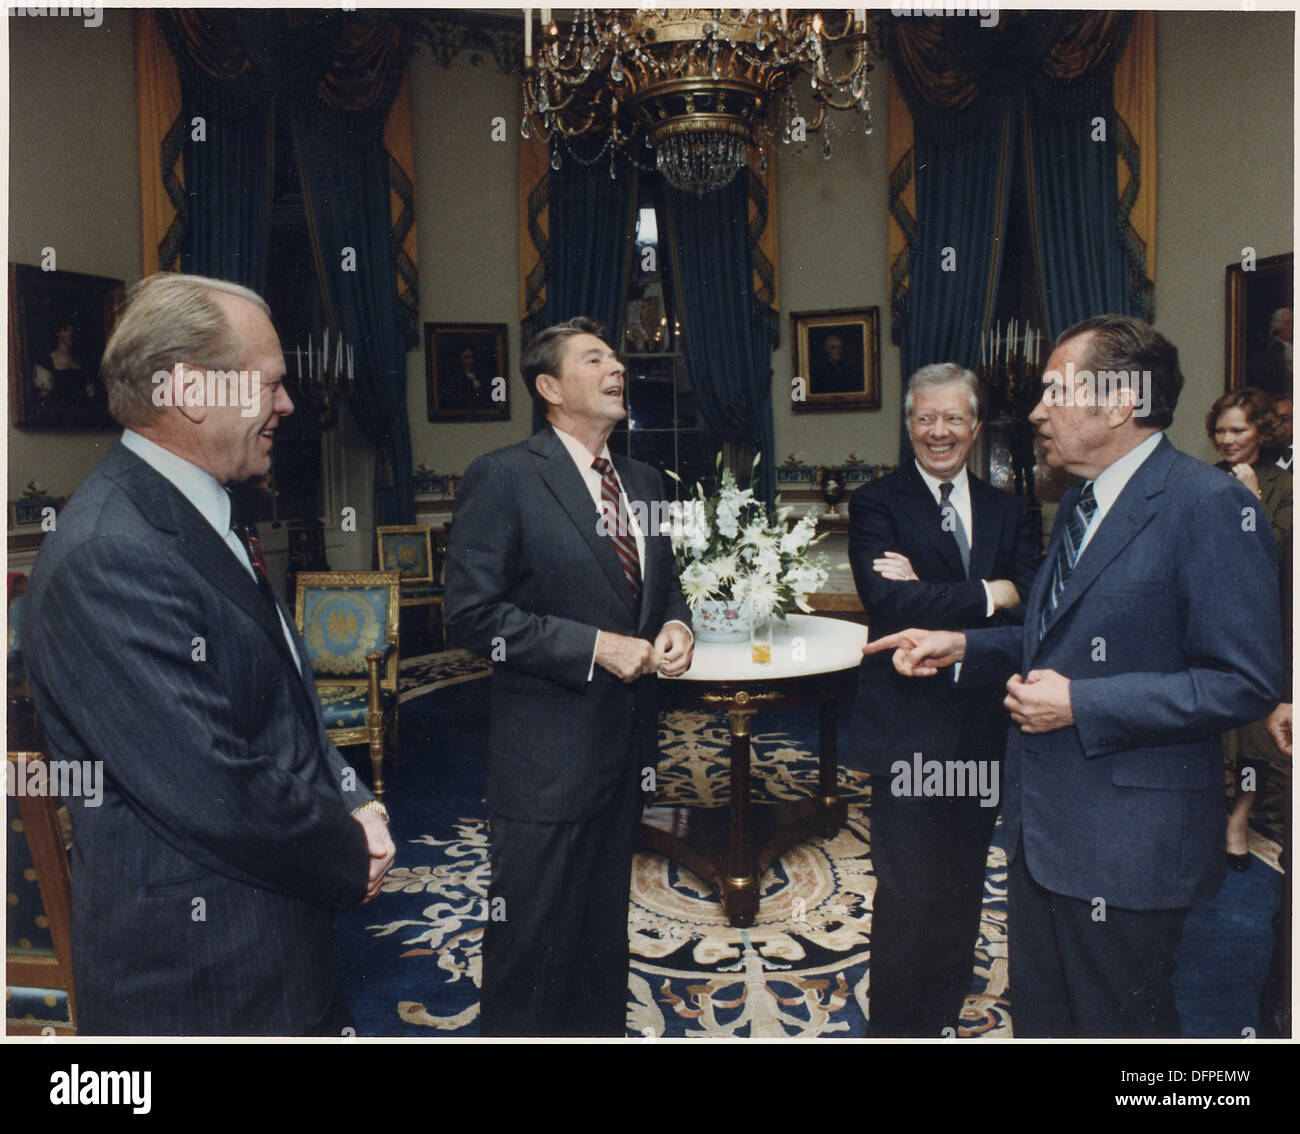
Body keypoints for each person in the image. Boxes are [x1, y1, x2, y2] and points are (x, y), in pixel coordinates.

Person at [865, 316, 1283, 1037]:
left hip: (1129, 849)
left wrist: (1082, 702)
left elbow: (1241, 680)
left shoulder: (1210, 508)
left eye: (1054, 391)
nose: (1034, 411)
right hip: (1044, 836)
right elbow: (1047, 638)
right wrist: (963, 644)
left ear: (1119, 404)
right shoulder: (1079, 506)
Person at [21, 273, 395, 1036]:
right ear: (193, 390)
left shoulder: (204, 513)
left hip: (273, 944)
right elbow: (216, 786)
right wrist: (346, 845)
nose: (287, 405)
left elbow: (283, 702)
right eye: (271, 383)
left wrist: (350, 791)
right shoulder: (109, 555)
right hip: (205, 979)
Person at [443, 315, 693, 1037]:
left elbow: (662, 591)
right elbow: (471, 615)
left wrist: (675, 626)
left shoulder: (644, 480)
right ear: (549, 387)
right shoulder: (505, 476)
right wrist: (596, 647)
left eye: (615, 355)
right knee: (530, 942)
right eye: (595, 358)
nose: (616, 365)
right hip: (545, 761)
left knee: (598, 939)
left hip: (625, 753)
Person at [849, 362, 1040, 1037]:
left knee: (963, 875)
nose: (938, 431)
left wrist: (938, 587)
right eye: (924, 418)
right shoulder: (876, 503)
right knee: (907, 886)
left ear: (976, 426)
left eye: (953, 418)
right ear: (908, 426)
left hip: (987, 722)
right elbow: (888, 602)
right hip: (908, 723)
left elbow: (1034, 607)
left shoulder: (1009, 508)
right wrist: (995, 591)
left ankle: (945, 1002)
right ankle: (899, 1026)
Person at [1206, 388, 1292, 869]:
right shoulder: (1200, 480)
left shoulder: (1285, 486)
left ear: (1261, 431)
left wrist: (1252, 499)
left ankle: (1239, 818)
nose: (1227, 439)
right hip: (1207, 626)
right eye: (1220, 430)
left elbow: (1275, 555)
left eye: (1238, 429)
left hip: (1257, 629)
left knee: (1253, 745)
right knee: (1206, 731)